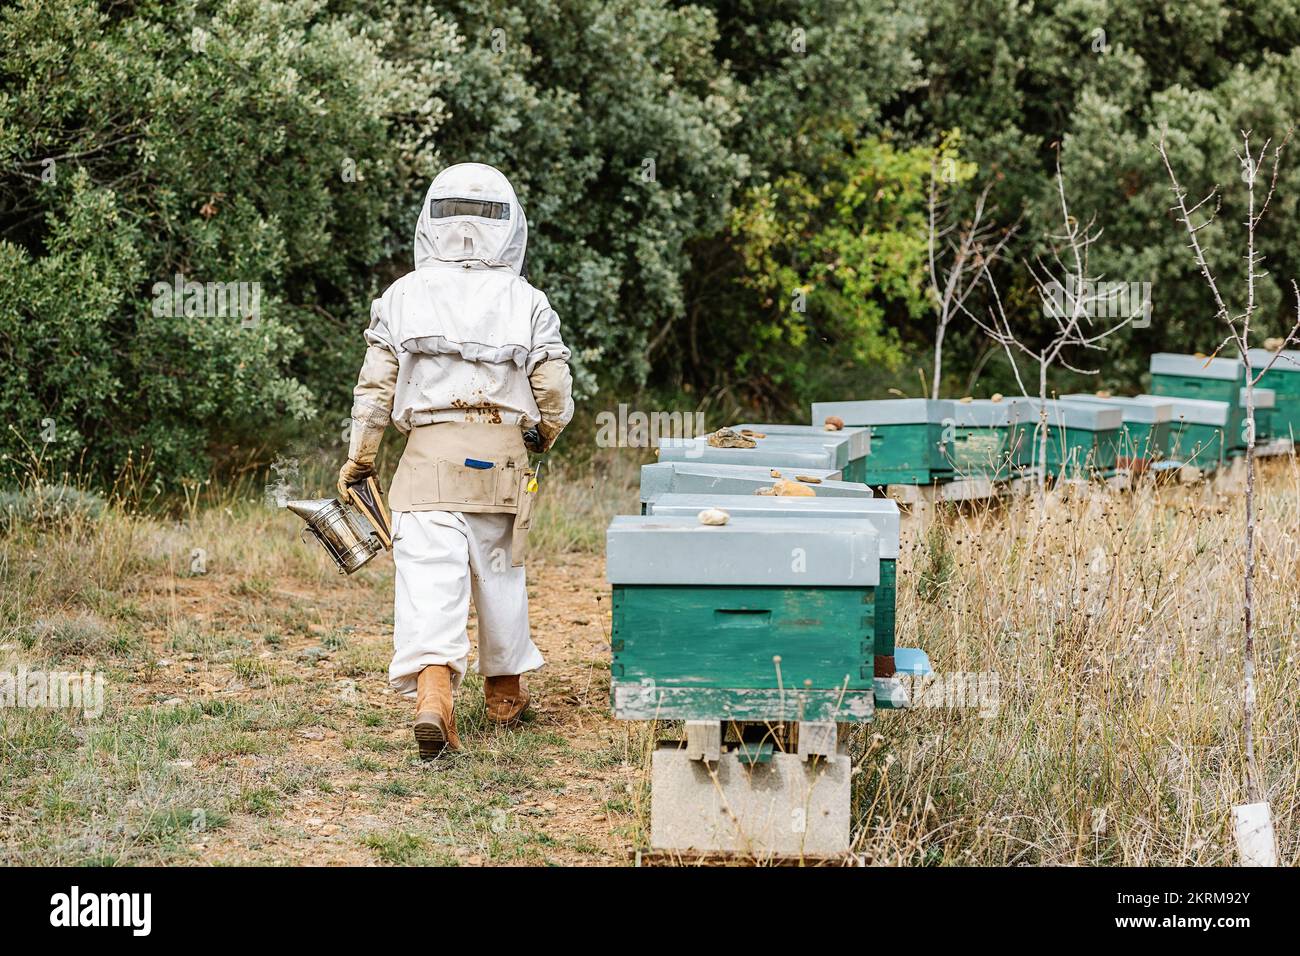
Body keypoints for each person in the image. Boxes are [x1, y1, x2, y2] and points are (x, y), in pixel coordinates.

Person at [338, 163, 573, 758]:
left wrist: (360, 461)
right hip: (499, 459)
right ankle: (503, 691)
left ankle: (435, 697)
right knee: (500, 575)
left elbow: (374, 393)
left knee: (428, 579)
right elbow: (555, 391)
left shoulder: (403, 296)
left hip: (426, 460)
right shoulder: (528, 300)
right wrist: (542, 436)